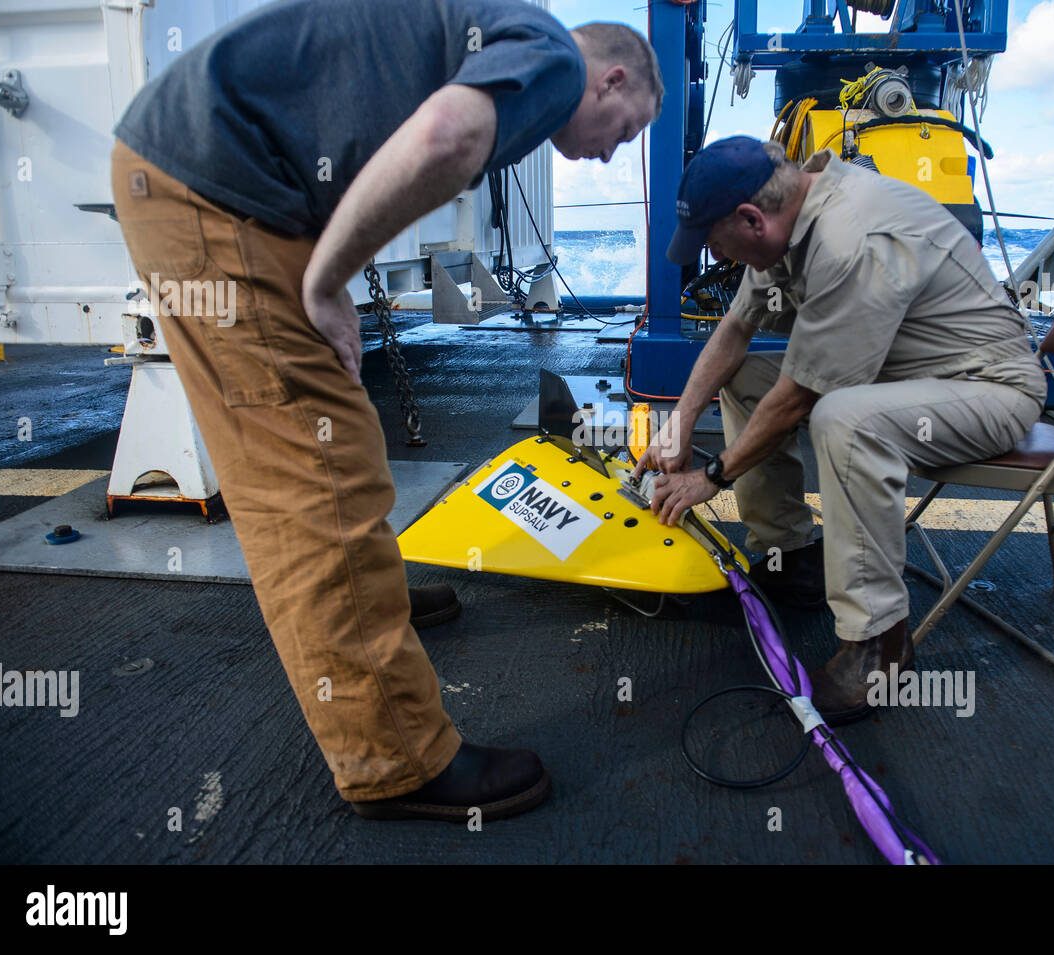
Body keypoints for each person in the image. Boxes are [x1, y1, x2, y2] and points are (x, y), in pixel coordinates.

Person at [109, 0, 663, 822]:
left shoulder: (496, 27)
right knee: (310, 479)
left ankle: (373, 608)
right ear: (611, 77)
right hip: (217, 197)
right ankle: (395, 757)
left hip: (202, 175)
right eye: (627, 129)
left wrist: (327, 266)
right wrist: (327, 282)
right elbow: (445, 137)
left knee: (337, 446)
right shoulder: (551, 55)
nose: (610, 152)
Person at [637, 136, 1046, 724]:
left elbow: (800, 395)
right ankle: (791, 558)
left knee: (844, 419)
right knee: (750, 376)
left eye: (714, 243)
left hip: (988, 390)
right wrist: (679, 423)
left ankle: (879, 647)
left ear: (751, 220)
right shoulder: (789, 221)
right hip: (901, 378)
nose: (717, 257)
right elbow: (735, 330)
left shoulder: (850, 238)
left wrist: (714, 474)